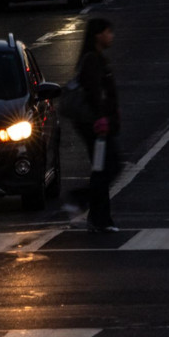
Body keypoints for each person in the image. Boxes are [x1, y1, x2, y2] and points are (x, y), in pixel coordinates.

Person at [71, 18, 122, 233]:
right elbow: (94, 93)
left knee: (102, 169)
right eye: (108, 32)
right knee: (108, 167)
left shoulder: (97, 58)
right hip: (96, 127)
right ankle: (82, 202)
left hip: (99, 125)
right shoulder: (92, 60)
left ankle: (99, 217)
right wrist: (102, 118)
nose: (111, 36)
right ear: (97, 35)